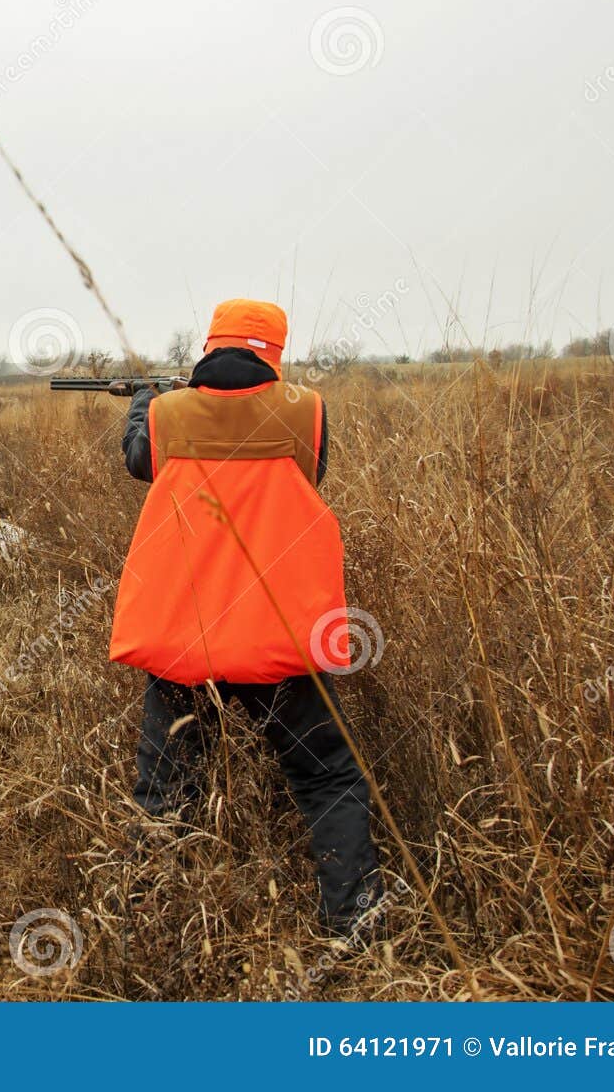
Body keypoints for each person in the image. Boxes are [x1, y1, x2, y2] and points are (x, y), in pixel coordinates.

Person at [109, 298, 380, 934]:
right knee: (327, 779)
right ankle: (355, 927)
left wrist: (143, 402)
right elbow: (308, 469)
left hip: (186, 640)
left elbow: (138, 460)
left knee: (165, 788)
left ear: (209, 344)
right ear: (275, 353)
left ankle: (143, 924)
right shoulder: (306, 412)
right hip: (280, 640)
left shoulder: (169, 415)